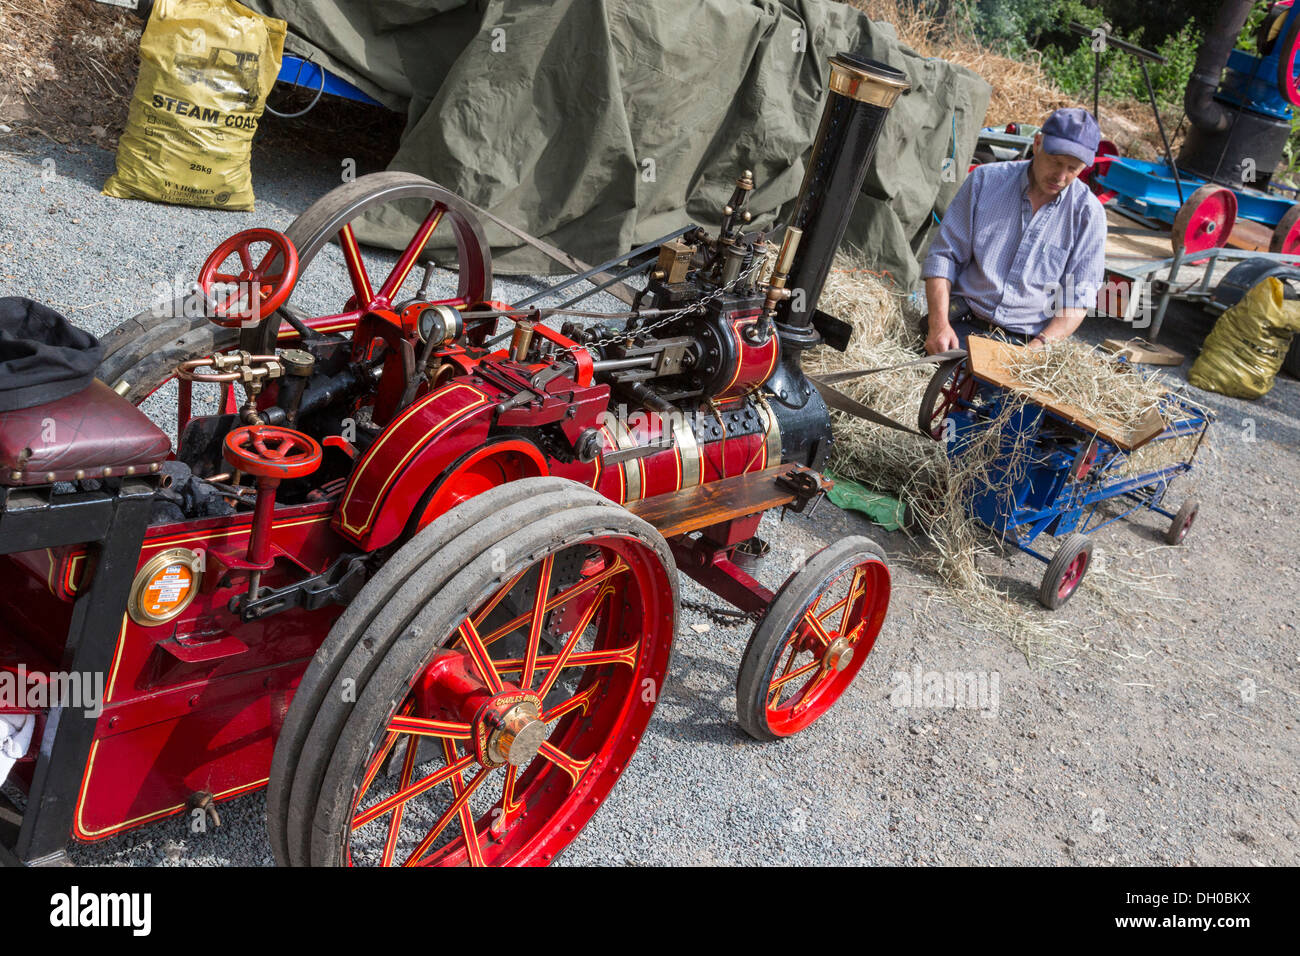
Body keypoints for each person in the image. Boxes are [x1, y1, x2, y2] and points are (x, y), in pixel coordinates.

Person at [921, 107, 1107, 353]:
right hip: (962, 324)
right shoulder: (985, 182)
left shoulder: (1088, 215)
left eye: (1073, 168)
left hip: (1026, 342)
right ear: (1038, 143)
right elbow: (944, 257)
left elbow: (1078, 298)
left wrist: (1035, 351)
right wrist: (939, 325)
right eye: (1056, 161)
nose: (1061, 176)